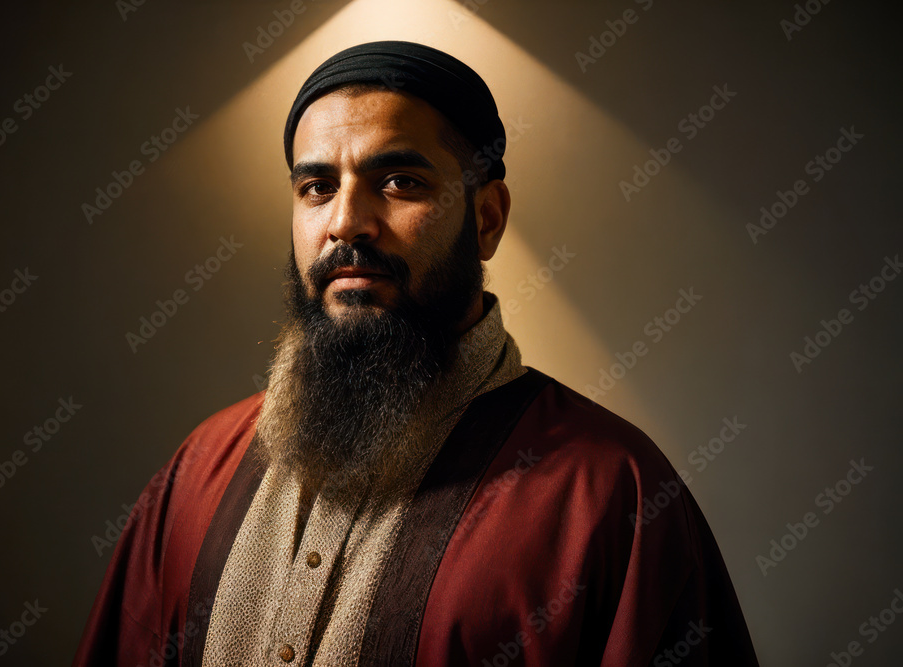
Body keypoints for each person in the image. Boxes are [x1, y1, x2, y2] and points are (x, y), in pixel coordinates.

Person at [74, 41, 759, 667]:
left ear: (486, 218)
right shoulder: (197, 474)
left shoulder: (612, 496)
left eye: (399, 181)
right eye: (316, 187)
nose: (346, 221)